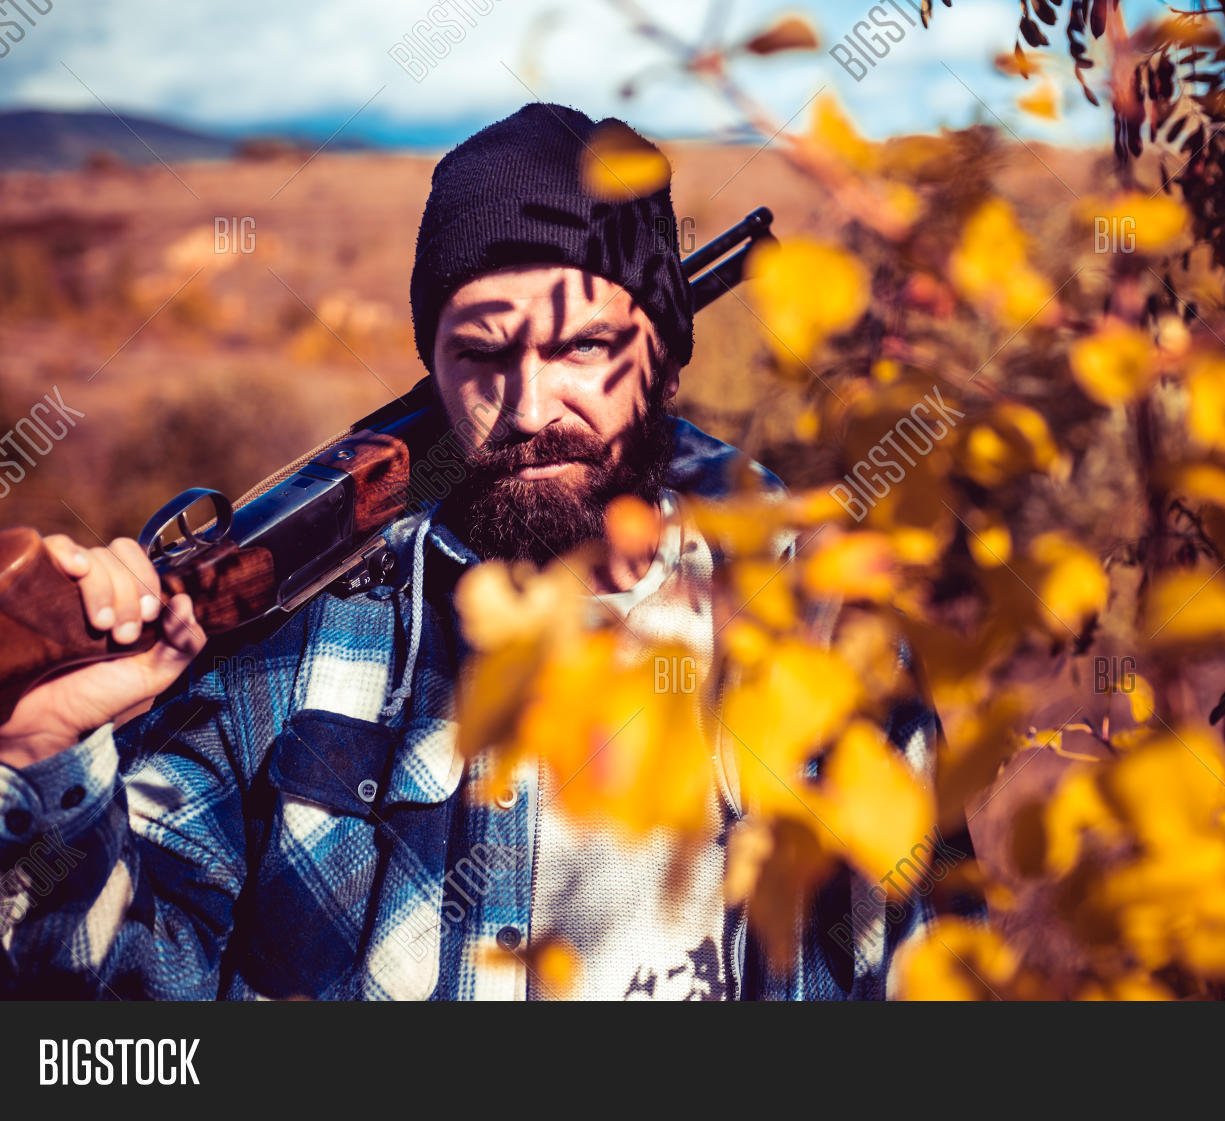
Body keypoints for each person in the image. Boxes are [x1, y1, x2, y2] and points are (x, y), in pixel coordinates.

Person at [0, 103, 971, 1000]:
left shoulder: (820, 628)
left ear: (666, 357)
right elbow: (113, 1011)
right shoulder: (291, 640)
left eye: (584, 346)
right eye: (484, 354)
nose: (531, 407)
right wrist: (50, 761)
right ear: (434, 365)